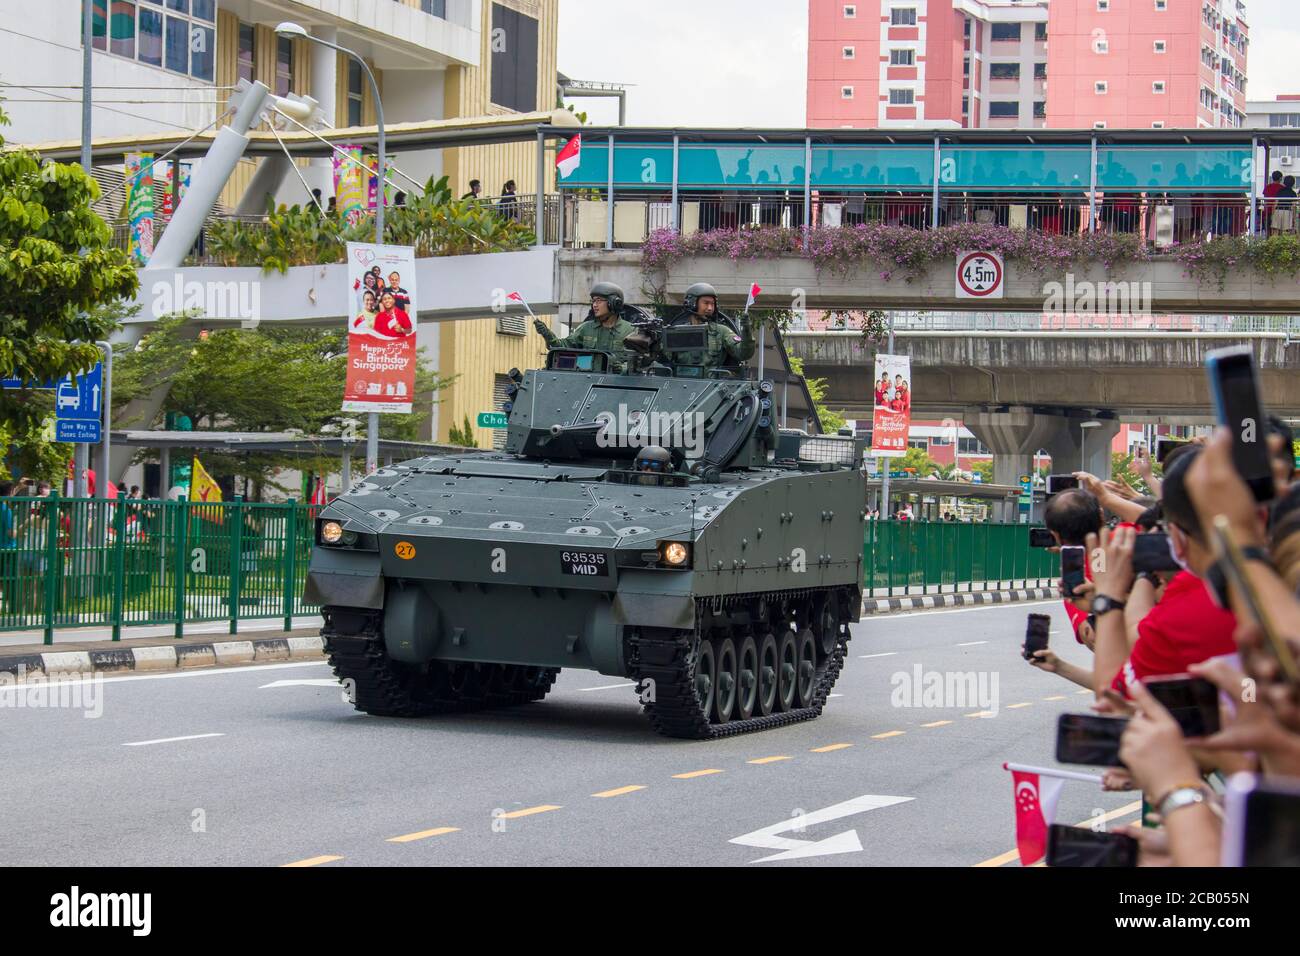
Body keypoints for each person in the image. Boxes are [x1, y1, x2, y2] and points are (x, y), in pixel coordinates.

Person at [1088, 447, 1239, 699]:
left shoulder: (1181, 614)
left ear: (1176, 538)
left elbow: (1111, 697)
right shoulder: (1276, 580)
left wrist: (1108, 598)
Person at [534, 281, 636, 371]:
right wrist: (547, 334)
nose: (594, 305)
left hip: (617, 386)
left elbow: (641, 362)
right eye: (593, 301)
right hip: (586, 382)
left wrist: (623, 369)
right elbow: (562, 347)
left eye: (599, 301)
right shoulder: (586, 328)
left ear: (614, 303)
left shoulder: (631, 331)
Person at [656, 282, 755, 370]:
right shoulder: (677, 332)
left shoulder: (721, 331)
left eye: (712, 304)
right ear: (692, 304)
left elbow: (743, 353)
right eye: (706, 303)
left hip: (712, 386)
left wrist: (746, 330)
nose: (710, 308)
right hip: (681, 385)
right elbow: (662, 359)